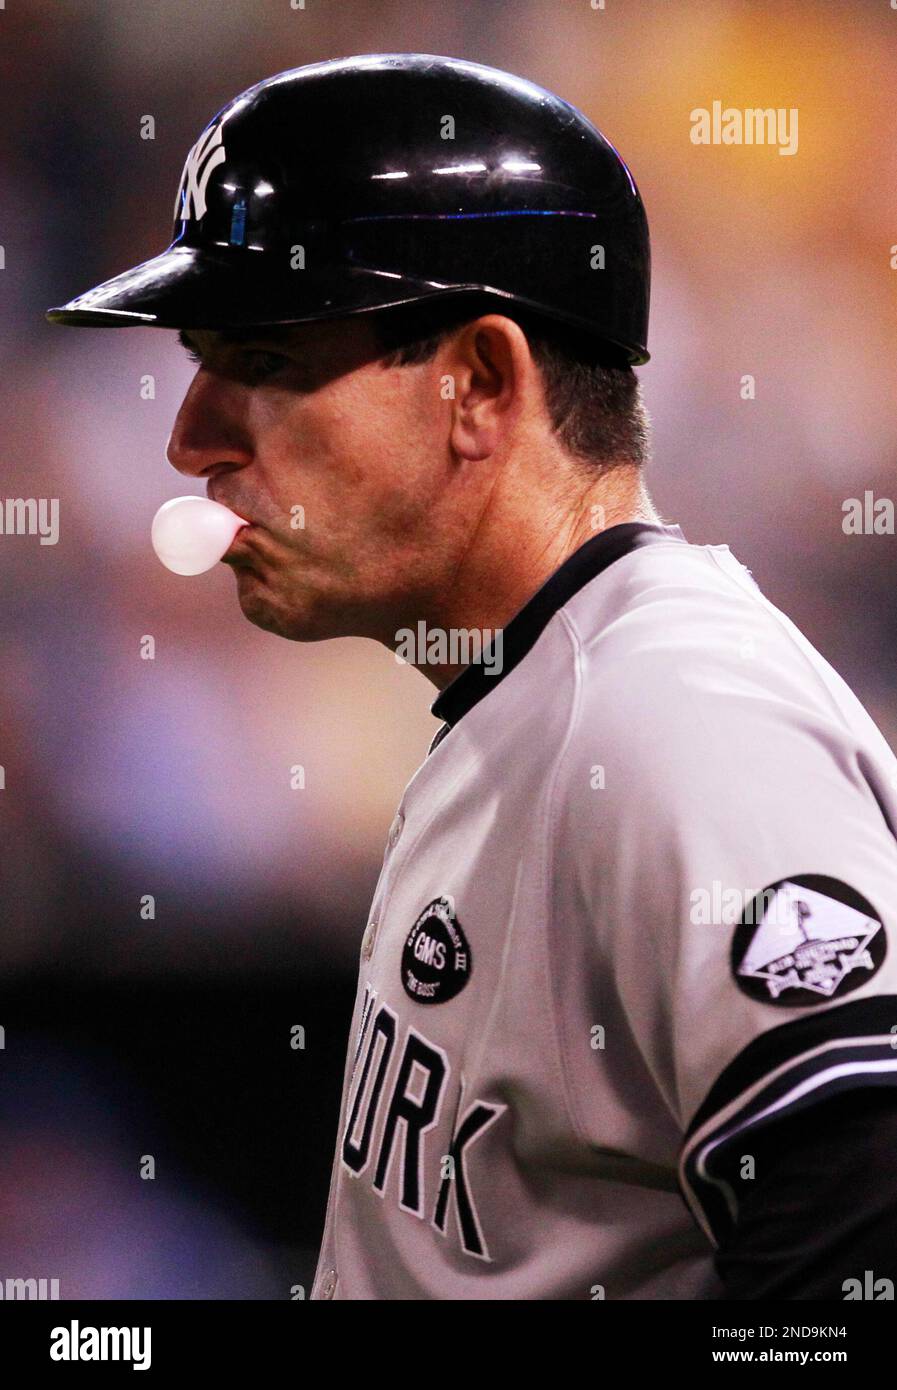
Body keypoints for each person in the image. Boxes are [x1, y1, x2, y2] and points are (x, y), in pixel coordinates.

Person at [48, 53, 897, 1301]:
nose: (191, 438)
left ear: (480, 385)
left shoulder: (679, 711)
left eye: (265, 362)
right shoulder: (533, 695)